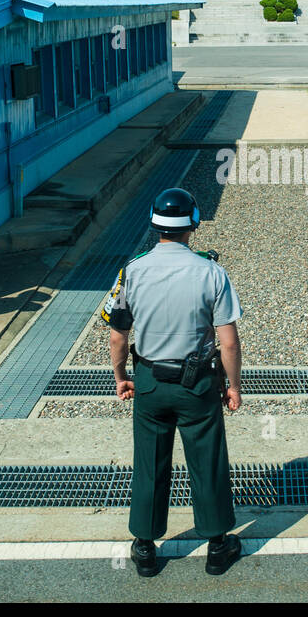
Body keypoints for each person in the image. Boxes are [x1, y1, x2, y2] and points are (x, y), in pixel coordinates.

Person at [104, 187, 244, 578]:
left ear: (155, 224)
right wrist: (233, 386)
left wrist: (121, 376)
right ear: (192, 225)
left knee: (149, 461)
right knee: (208, 458)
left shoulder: (131, 271)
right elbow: (228, 341)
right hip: (197, 383)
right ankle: (217, 546)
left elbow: (117, 335)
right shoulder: (212, 272)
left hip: (149, 381)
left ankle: (146, 549)